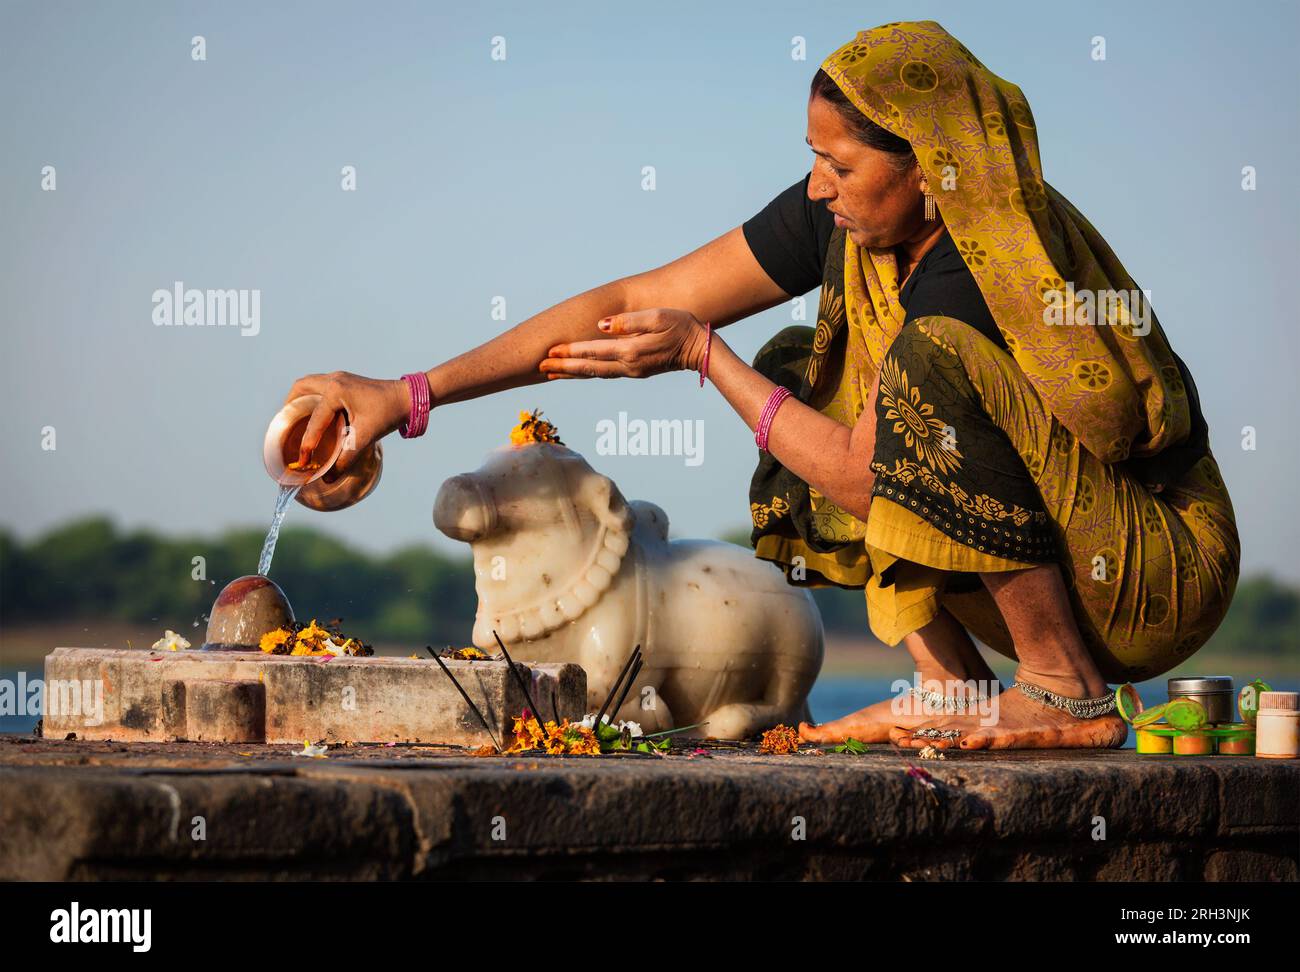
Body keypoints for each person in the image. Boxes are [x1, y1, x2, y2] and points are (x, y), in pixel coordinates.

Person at [282, 21, 1239, 750]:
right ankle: (950, 686)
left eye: (841, 165)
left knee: (887, 376)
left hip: (1149, 572)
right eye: (813, 159)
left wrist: (708, 357)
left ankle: (1063, 690)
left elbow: (870, 478)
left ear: (931, 173)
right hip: (1059, 555)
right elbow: (630, 299)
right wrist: (410, 396)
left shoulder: (976, 271)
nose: (818, 187)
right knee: (802, 378)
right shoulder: (853, 221)